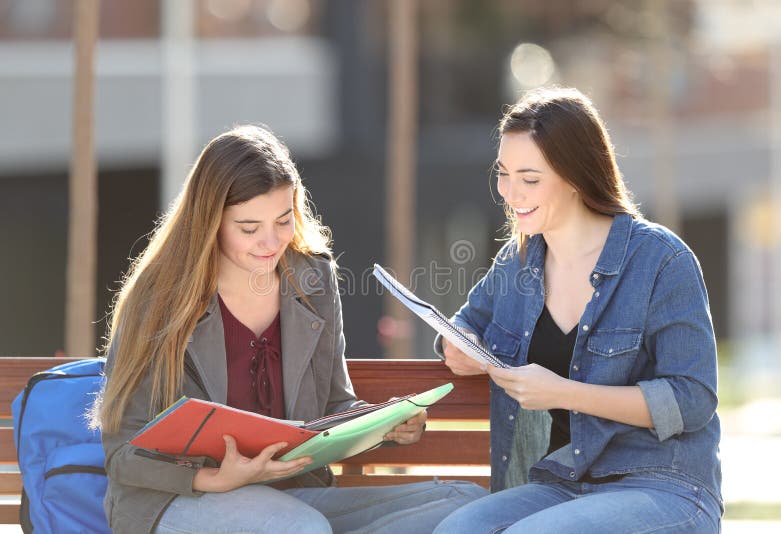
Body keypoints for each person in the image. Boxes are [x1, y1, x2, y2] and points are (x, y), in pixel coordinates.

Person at [94, 124, 487, 534]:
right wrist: (216, 478)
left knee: (463, 504)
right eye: (249, 228)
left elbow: (335, 405)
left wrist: (387, 425)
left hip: (292, 494)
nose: (270, 242)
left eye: (283, 221)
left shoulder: (311, 279)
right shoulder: (159, 296)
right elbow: (123, 451)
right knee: (301, 528)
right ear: (209, 221)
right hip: (186, 499)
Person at [433, 88, 722, 533]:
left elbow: (692, 399)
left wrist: (563, 392)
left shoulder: (661, 260)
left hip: (664, 485)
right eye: (503, 174)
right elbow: (465, 326)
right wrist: (463, 348)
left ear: (574, 176)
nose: (510, 194)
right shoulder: (518, 263)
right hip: (566, 480)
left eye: (529, 179)